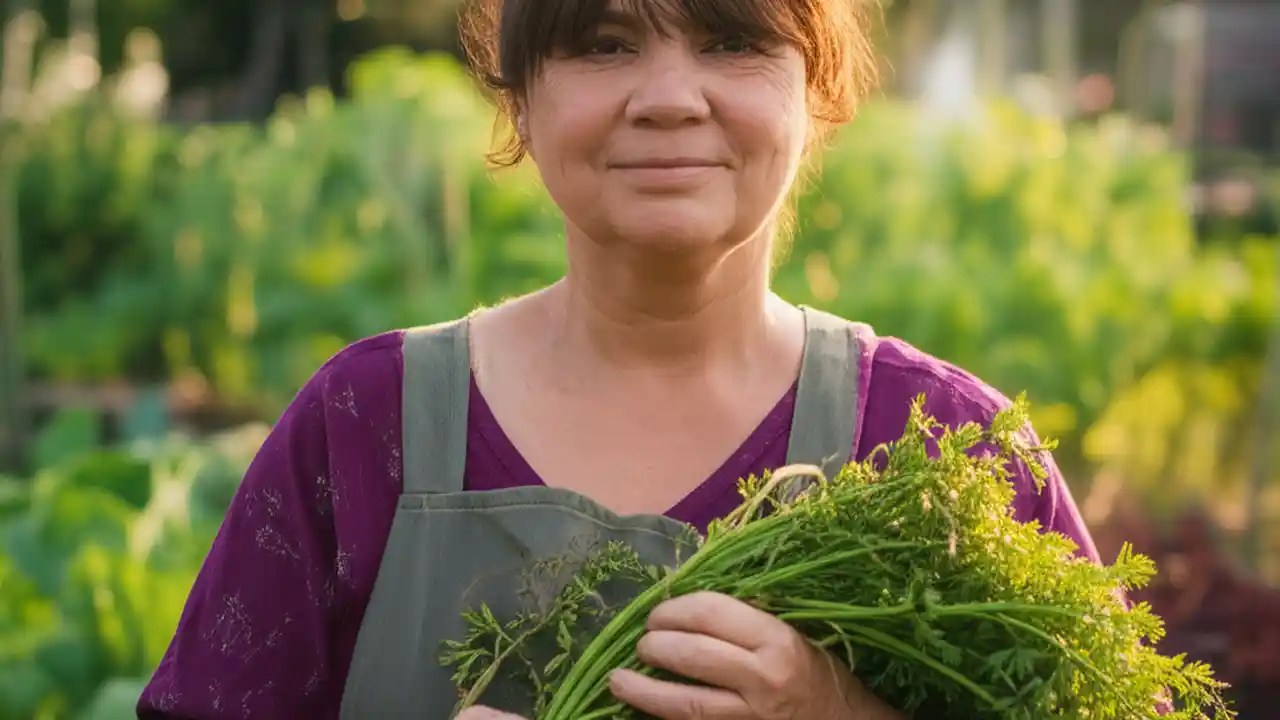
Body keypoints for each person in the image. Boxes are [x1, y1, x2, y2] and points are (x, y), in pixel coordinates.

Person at [137, 0, 1102, 717]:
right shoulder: (362, 430)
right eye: (603, 43)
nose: (670, 99)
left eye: (731, 41)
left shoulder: (945, 449)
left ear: (817, 89)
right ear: (519, 100)